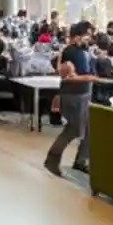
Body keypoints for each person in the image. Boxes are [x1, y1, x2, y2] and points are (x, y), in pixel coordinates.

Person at [45, 26, 97, 177]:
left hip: (83, 93)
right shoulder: (73, 52)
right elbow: (75, 75)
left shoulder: (84, 52)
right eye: (88, 35)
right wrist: (89, 77)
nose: (90, 38)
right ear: (77, 36)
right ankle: (52, 159)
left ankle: (81, 160)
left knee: (89, 129)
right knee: (74, 129)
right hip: (75, 96)